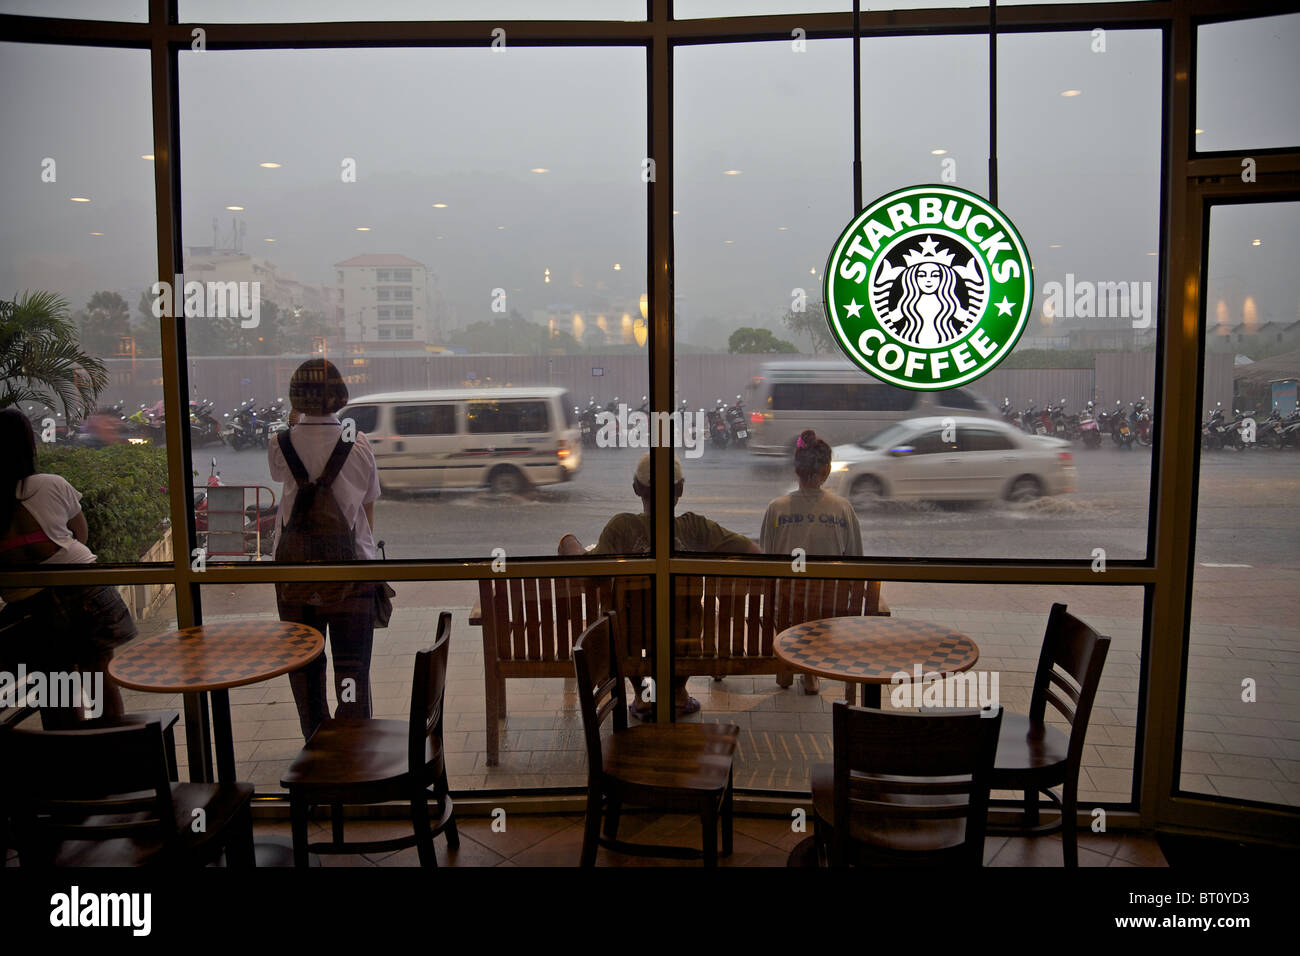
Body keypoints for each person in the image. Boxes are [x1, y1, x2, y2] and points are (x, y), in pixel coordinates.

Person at [559, 452, 760, 717]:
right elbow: (754, 552)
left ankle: (643, 694)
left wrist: (568, 543)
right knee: (688, 620)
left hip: (631, 637)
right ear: (681, 489)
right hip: (684, 636)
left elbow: (589, 575)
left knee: (618, 616)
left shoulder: (621, 527)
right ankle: (676, 692)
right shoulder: (697, 527)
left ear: (636, 488)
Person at [0, 407, 134, 726]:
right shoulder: (52, 484)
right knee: (100, 685)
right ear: (30, 445)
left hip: (31, 609)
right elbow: (81, 535)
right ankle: (117, 764)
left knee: (56, 692)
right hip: (85, 590)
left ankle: (69, 770)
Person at [270, 359, 381, 741]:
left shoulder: (280, 443)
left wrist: (293, 422)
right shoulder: (359, 443)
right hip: (352, 575)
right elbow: (368, 504)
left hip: (294, 577)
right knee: (352, 669)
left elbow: (277, 475)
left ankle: (316, 747)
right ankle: (354, 751)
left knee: (305, 670)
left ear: (295, 396)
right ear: (340, 395)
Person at [759, 429, 863, 694]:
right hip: (829, 611)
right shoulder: (842, 509)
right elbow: (857, 562)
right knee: (817, 603)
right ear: (827, 470)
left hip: (787, 610)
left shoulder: (777, 508)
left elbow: (766, 562)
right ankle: (810, 673)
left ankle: (786, 667)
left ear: (797, 470)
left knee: (789, 598)